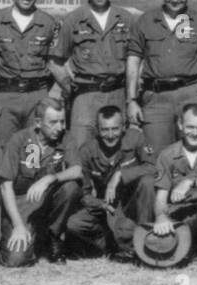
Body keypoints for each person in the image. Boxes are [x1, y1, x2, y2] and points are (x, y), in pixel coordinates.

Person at [126, 0, 197, 155]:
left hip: (193, 94)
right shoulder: (145, 21)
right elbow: (133, 62)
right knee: (157, 158)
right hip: (156, 99)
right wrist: (131, 100)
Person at [53, 0, 135, 151]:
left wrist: (131, 96)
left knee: (119, 151)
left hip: (117, 93)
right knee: (80, 149)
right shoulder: (73, 20)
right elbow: (55, 60)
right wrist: (68, 85)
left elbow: (137, 59)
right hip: (85, 95)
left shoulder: (126, 19)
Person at [0, 0, 64, 151]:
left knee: (33, 152)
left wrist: (40, 89)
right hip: (5, 96)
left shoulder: (49, 24)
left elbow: (53, 62)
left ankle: (31, 180)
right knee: (3, 152)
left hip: (36, 97)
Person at [142, 102, 197, 267]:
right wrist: (161, 217)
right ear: (180, 125)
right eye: (190, 127)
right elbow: (161, 198)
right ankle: (187, 248)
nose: (195, 133)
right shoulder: (167, 155)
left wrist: (190, 181)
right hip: (183, 216)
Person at [0, 97, 82, 267]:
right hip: (20, 206)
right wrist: (18, 225)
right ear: (38, 123)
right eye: (53, 122)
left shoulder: (66, 138)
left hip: (45, 203)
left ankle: (54, 237)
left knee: (71, 187)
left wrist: (51, 178)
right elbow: (5, 187)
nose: (60, 127)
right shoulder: (18, 140)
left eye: (62, 121)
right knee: (16, 260)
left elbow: (77, 170)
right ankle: (29, 238)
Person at [63, 105, 152, 262]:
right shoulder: (87, 150)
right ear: (97, 129)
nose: (110, 135)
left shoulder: (136, 138)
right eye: (105, 130)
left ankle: (143, 240)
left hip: (130, 204)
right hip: (106, 204)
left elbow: (152, 167)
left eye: (115, 129)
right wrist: (100, 204)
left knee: (147, 182)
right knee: (74, 224)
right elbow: (84, 193)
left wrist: (120, 175)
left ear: (123, 127)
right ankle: (110, 245)